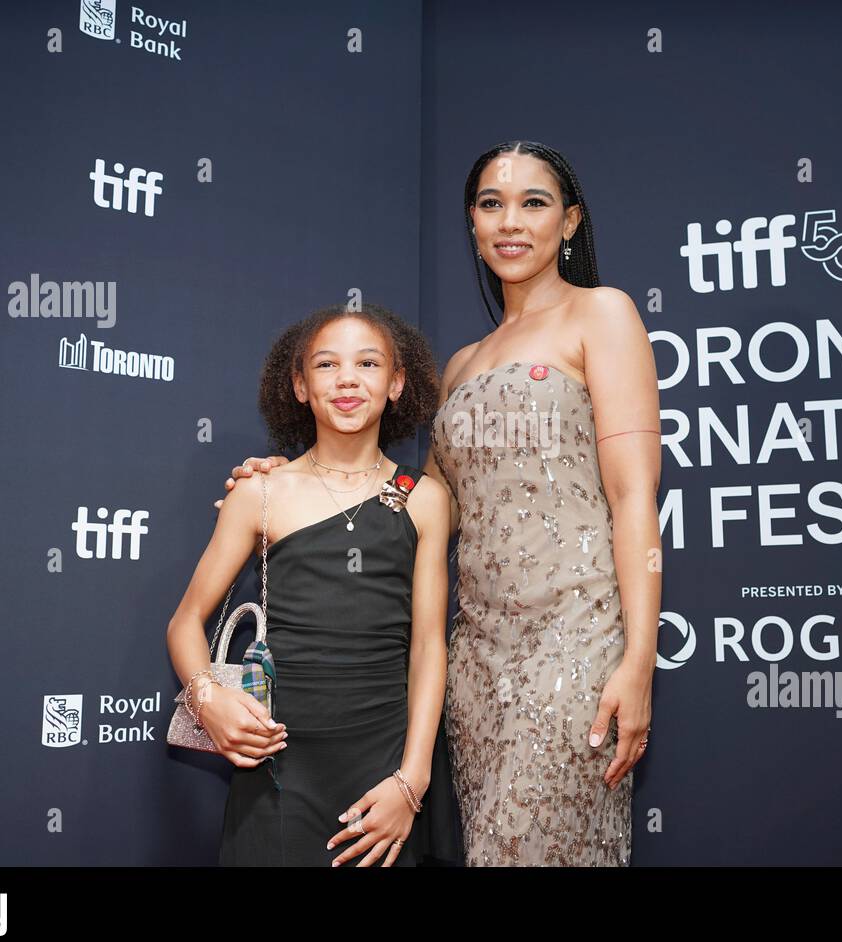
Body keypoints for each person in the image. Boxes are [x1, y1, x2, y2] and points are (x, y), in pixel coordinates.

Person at [224, 140, 661, 866]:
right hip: (476, 664)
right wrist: (291, 475)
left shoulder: (602, 315)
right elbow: (418, 503)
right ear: (472, 223)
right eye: (492, 204)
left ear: (571, 221)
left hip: (576, 647)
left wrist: (637, 660)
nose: (510, 222)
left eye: (534, 202)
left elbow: (634, 494)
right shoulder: (461, 364)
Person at [169, 303, 462, 866]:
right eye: (326, 365)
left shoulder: (425, 498)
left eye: (368, 363)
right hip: (277, 765)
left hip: (386, 770)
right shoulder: (260, 491)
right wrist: (208, 701)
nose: (347, 379)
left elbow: (429, 646)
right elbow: (185, 623)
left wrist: (413, 782)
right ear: (300, 386)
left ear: (397, 383)